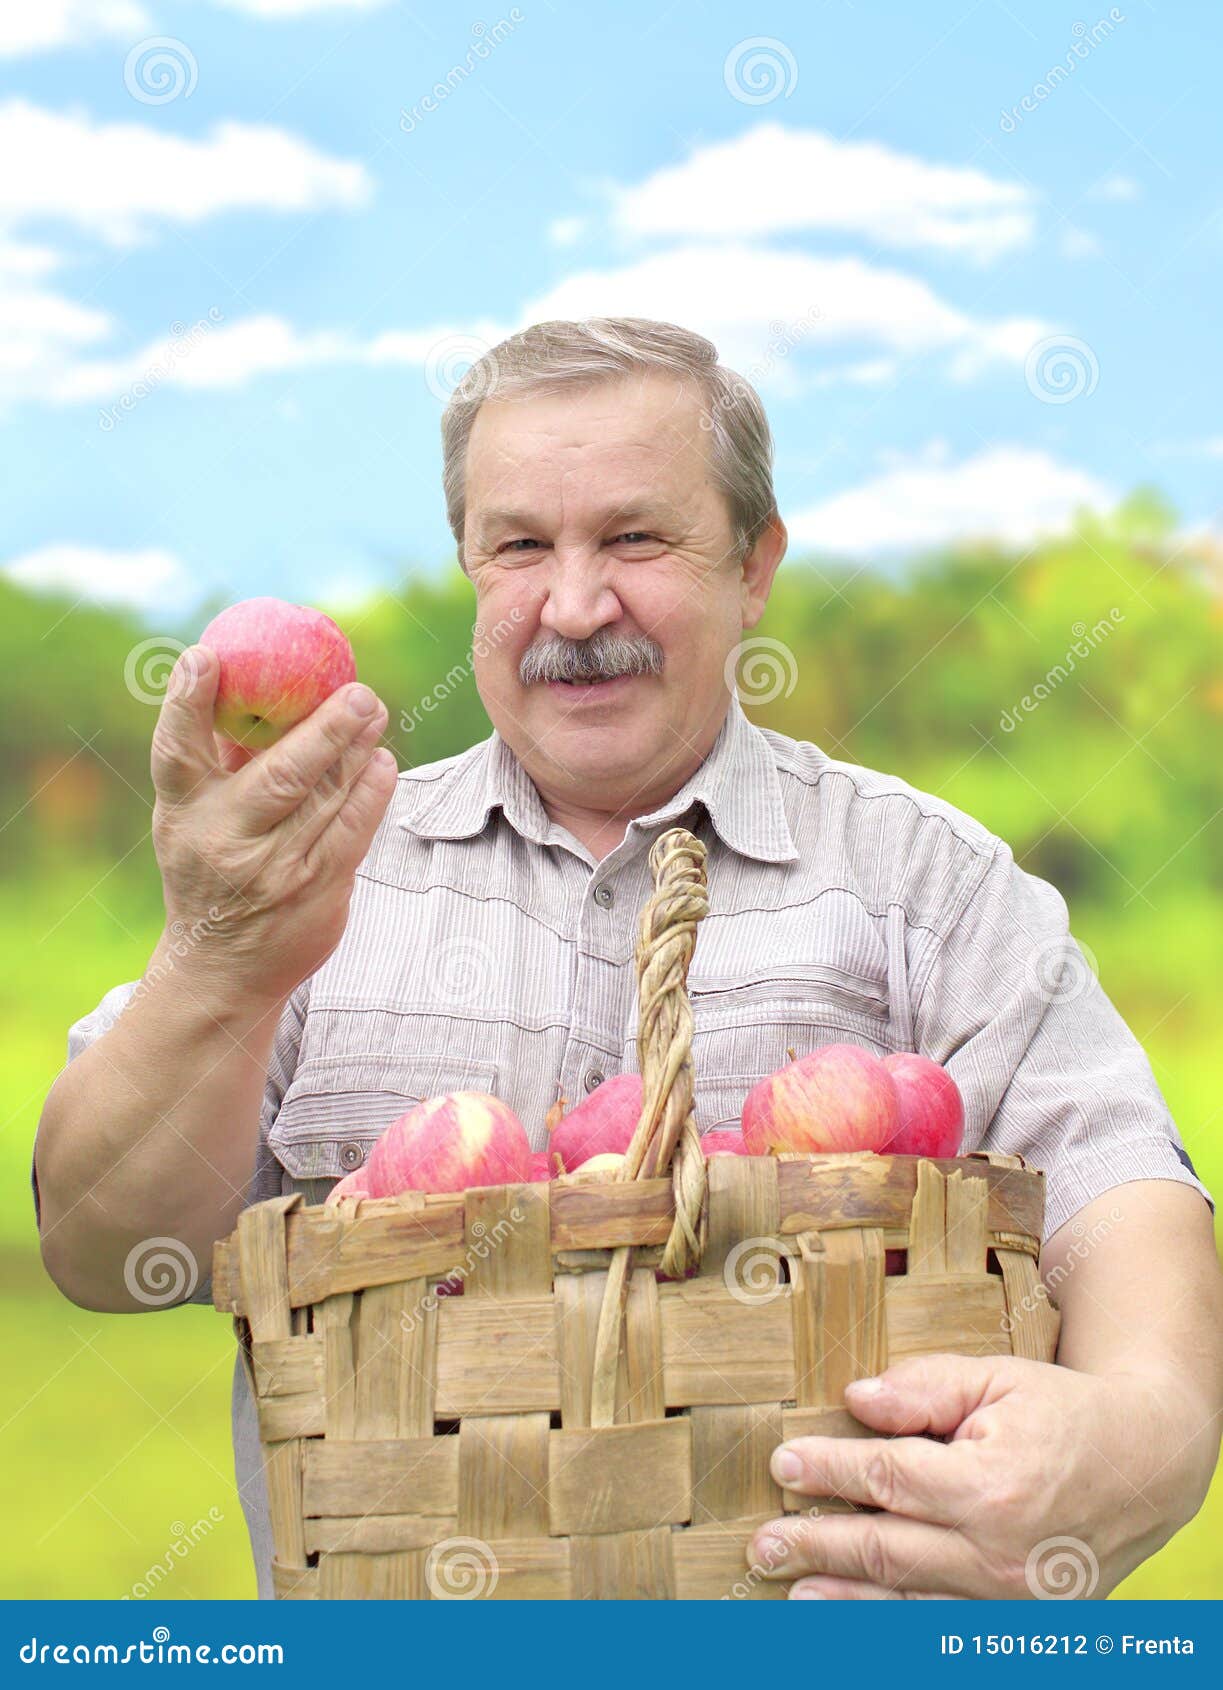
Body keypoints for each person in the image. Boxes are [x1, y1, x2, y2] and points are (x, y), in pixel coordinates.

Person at [34, 318, 1222, 1600]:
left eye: (636, 538)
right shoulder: (318, 865)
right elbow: (105, 1252)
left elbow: (1115, 1186)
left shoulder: (924, 880)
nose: (575, 605)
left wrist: (1144, 1427)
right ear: (471, 565)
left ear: (754, 567)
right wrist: (220, 956)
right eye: (521, 545)